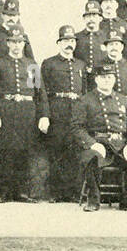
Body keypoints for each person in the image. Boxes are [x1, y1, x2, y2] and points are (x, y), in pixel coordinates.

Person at [0, 26, 49, 203]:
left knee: (25, 152)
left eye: (19, 42)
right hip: (6, 110)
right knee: (5, 152)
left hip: (28, 112)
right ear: (7, 43)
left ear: (24, 43)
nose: (16, 45)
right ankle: (4, 191)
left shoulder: (32, 65)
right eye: (13, 42)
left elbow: (40, 94)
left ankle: (21, 192)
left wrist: (44, 115)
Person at [72, 63, 127, 211]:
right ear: (97, 79)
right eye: (103, 77)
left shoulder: (123, 100)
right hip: (98, 143)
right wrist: (92, 144)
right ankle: (93, 201)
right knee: (92, 157)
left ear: (114, 79)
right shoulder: (85, 100)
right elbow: (77, 128)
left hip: (120, 146)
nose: (107, 80)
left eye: (110, 77)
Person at [41, 25, 86, 203]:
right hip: (57, 111)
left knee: (75, 152)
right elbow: (41, 90)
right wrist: (45, 114)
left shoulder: (81, 65)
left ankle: (74, 192)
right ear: (59, 43)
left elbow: (86, 91)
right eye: (66, 41)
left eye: (72, 41)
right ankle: (56, 192)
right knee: (57, 151)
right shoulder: (48, 63)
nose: (69, 44)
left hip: (77, 113)